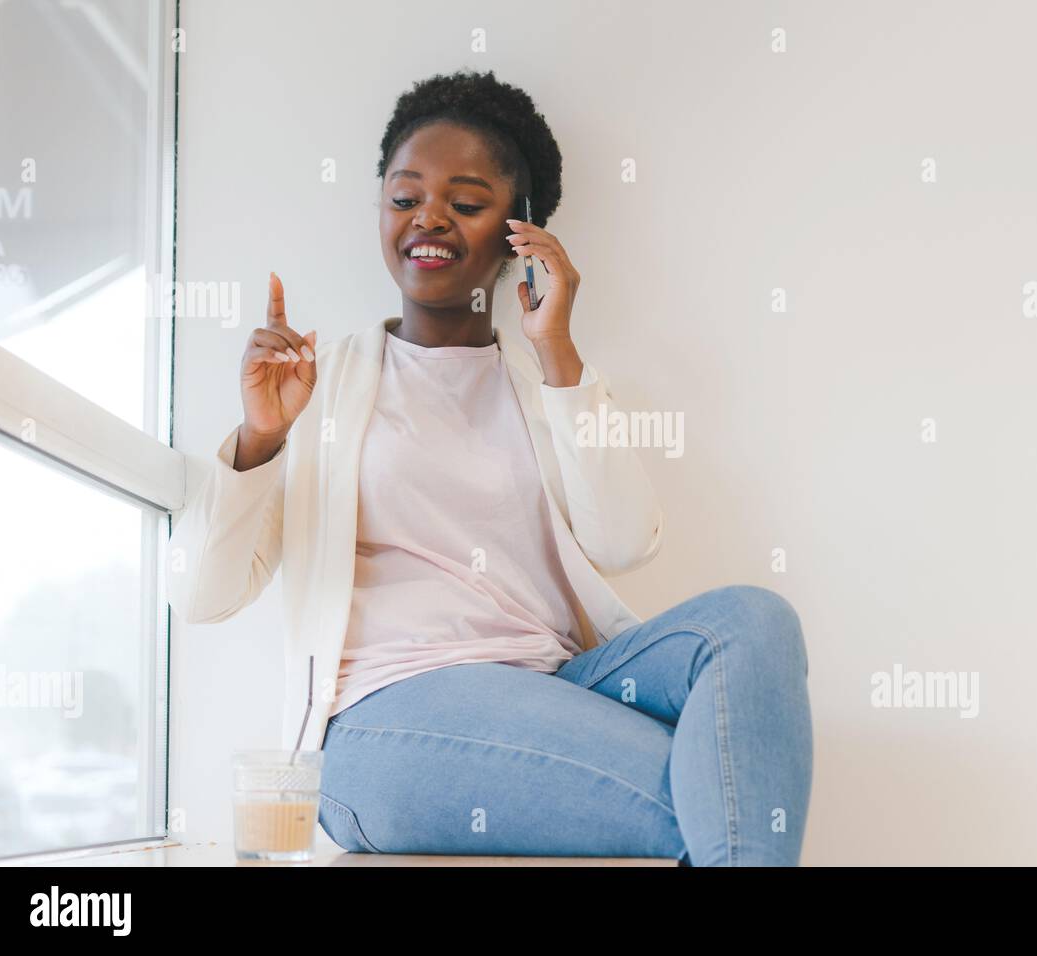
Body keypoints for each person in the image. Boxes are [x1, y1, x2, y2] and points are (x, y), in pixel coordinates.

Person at [167, 68, 812, 866]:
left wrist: (559, 352)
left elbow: (624, 542)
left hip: (559, 688)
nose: (428, 218)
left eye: (465, 203)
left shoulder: (549, 386)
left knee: (752, 624)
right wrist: (260, 436)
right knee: (730, 801)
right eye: (405, 199)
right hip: (387, 722)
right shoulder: (317, 387)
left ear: (520, 229)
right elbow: (199, 594)